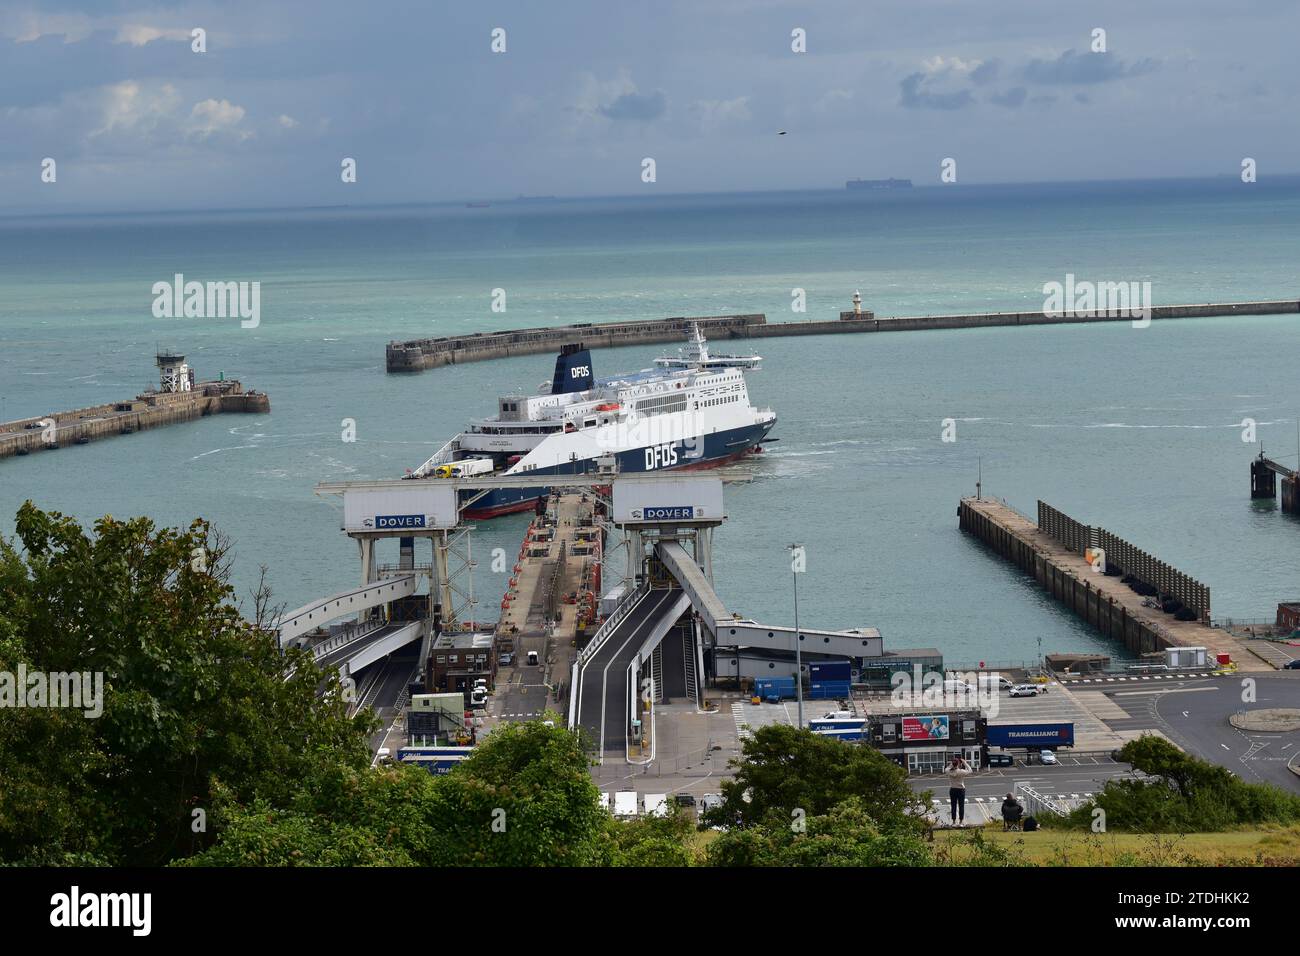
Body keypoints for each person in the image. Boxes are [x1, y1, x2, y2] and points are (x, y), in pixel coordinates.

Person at [946, 755, 971, 825]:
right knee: (961, 806)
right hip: (961, 790)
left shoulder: (948, 771)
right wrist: (965, 763)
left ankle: (953, 821)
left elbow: (948, 767)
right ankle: (961, 821)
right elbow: (970, 770)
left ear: (952, 764)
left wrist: (952, 763)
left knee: (953, 806)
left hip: (953, 789)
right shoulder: (961, 771)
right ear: (958, 764)